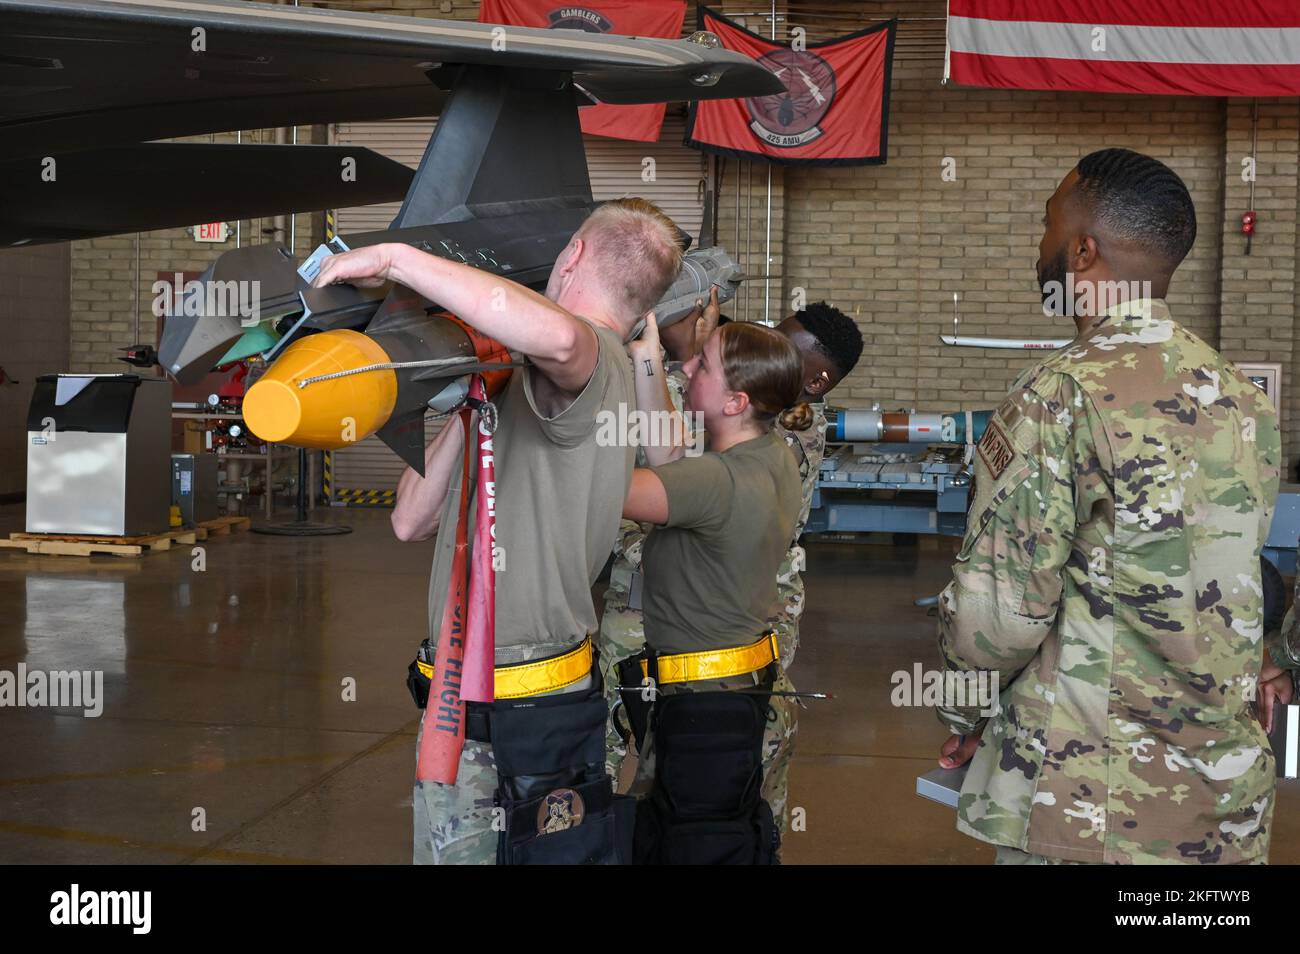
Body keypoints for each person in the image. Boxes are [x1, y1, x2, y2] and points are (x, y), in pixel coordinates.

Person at [935, 148, 1280, 864]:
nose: (1041, 245)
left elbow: (996, 623)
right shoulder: (1243, 399)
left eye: (1046, 226)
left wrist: (966, 711)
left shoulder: (1059, 394)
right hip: (1219, 804)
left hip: (1088, 802)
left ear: (1083, 251)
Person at [314, 197, 684, 865]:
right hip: (480, 699)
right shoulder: (532, 377)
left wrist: (397, 258)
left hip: (520, 709)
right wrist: (472, 389)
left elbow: (564, 338)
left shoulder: (593, 353)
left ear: (571, 254)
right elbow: (409, 520)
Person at [619, 320, 811, 864]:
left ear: (736, 402)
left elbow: (594, 490)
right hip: (741, 694)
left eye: (702, 364)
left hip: (703, 713)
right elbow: (671, 465)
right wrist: (647, 360)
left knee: (689, 848)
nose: (688, 367)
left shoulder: (716, 483)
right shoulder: (772, 456)